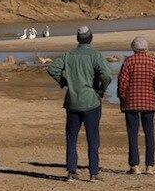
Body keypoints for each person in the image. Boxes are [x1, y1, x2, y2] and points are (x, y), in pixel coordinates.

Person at [47, 26, 112, 182]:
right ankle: (94, 173)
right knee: (93, 138)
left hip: (73, 101)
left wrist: (65, 82)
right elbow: (107, 74)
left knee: (71, 138)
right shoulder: (95, 55)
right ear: (90, 38)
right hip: (91, 101)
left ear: (78, 39)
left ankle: (71, 172)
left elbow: (52, 69)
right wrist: (101, 89)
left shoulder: (69, 55)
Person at [115, 35, 155, 175]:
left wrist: (123, 99)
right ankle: (150, 166)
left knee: (132, 134)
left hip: (131, 103)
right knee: (149, 134)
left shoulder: (128, 62)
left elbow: (122, 84)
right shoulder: (153, 61)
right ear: (146, 48)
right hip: (149, 103)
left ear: (133, 48)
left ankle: (134, 166)